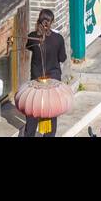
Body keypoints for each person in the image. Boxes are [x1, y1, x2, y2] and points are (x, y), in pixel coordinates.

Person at [23, 9, 67, 137]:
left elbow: (27, 47)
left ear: (39, 21)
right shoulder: (58, 38)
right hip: (53, 81)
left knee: (33, 109)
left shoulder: (33, 37)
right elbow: (62, 58)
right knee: (50, 111)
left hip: (36, 81)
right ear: (51, 22)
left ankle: (29, 134)